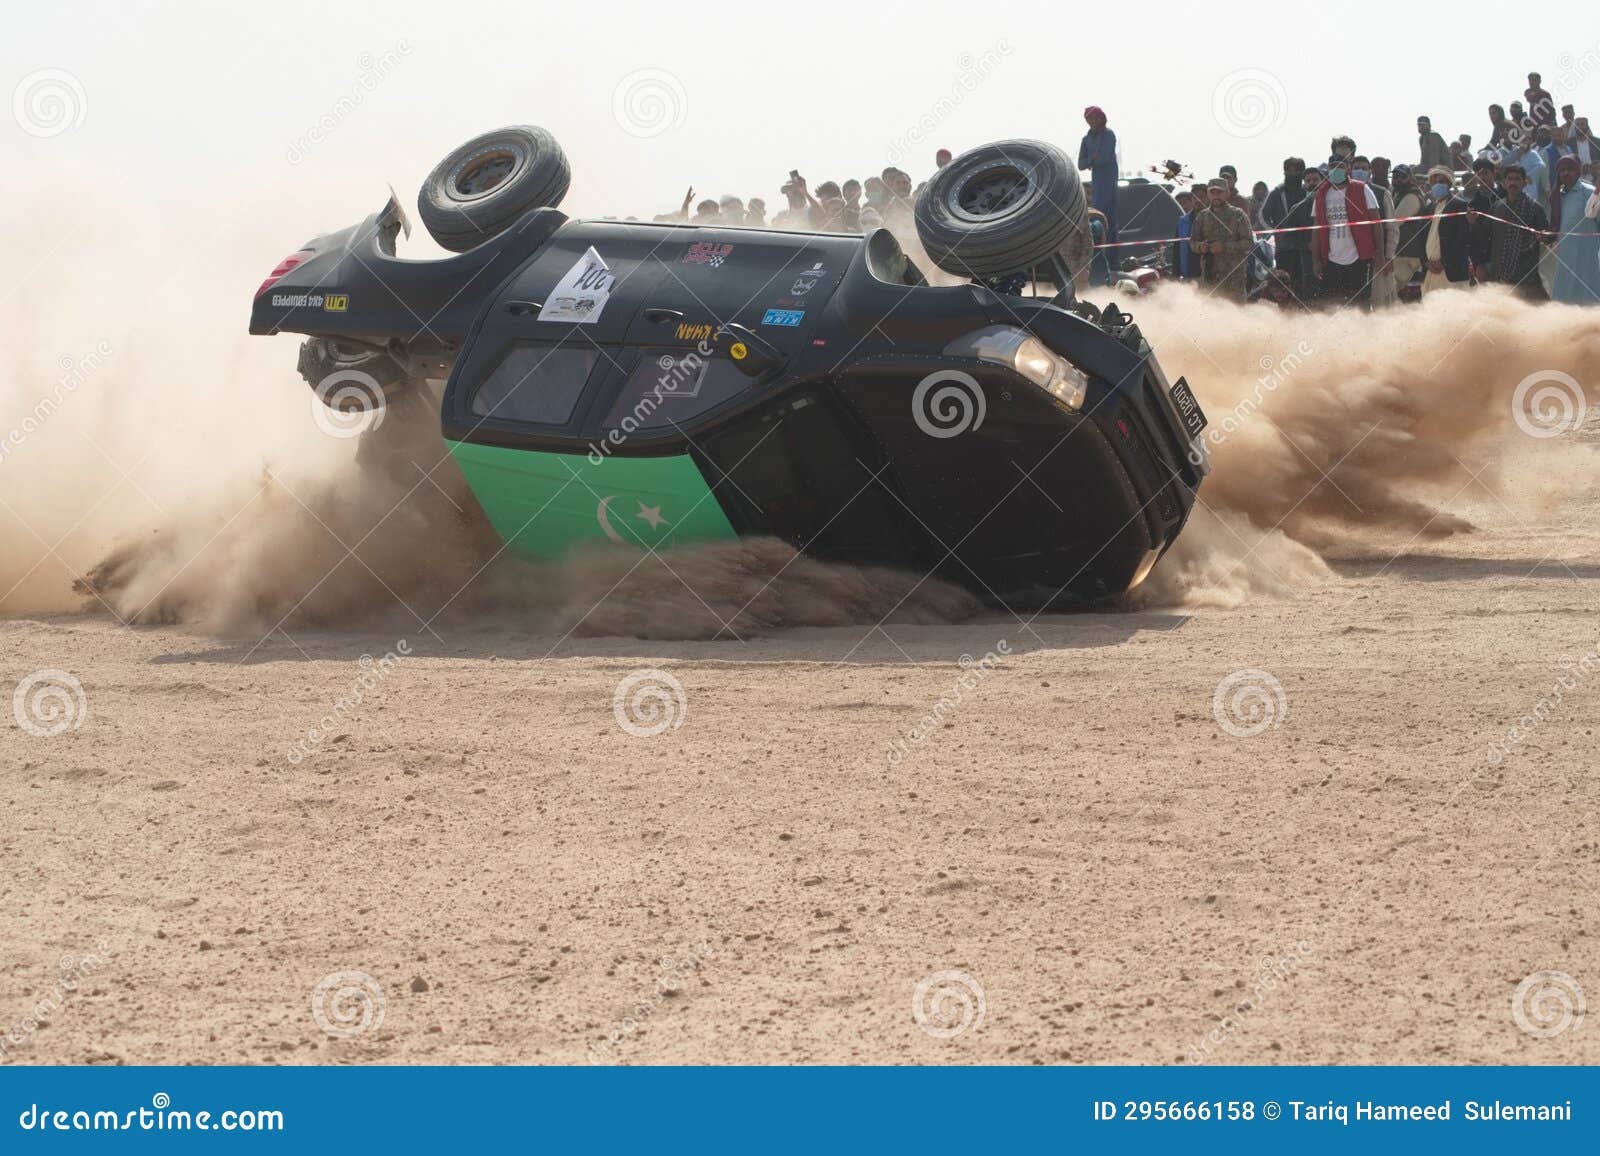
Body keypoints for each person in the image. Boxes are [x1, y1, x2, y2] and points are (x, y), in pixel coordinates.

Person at [1311, 153, 1384, 309]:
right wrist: (1316, 260)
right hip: (1331, 259)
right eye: (1333, 167)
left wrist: (1380, 253)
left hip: (1359, 258)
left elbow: (1376, 223)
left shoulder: (1362, 189)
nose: (1336, 170)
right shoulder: (1321, 194)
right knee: (1333, 305)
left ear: (1348, 168)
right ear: (1328, 170)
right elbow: (1316, 229)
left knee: (1360, 305)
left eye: (1341, 166)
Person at [1475, 164, 1551, 298]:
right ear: (1504, 183)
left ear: (1524, 182)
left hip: (1527, 276)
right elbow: (1483, 237)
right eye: (1509, 179)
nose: (1513, 182)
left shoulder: (1534, 208)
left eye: (1517, 179)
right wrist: (1479, 264)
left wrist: (1544, 237)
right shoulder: (1497, 207)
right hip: (1499, 274)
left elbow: (1547, 235)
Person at [1188, 177, 1254, 301]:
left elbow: (1249, 243)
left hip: (1234, 276)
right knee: (1212, 313)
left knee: (1236, 312)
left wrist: (1224, 247)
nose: (1216, 196)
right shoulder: (1202, 217)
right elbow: (1192, 242)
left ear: (1227, 193)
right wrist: (1200, 247)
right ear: (1208, 194)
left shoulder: (1238, 215)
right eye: (1212, 192)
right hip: (1210, 274)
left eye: (1220, 192)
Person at [1548, 154, 1600, 304]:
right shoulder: (1558, 196)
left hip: (1588, 257)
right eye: (1562, 170)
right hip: (1565, 257)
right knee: (1565, 299)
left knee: (1590, 298)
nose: (1566, 173)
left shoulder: (1589, 192)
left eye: (1570, 169)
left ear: (1578, 172)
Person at [1260, 157, 1309, 295]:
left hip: (1304, 247)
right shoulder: (1277, 193)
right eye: (1289, 170)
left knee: (1302, 283)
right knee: (1283, 283)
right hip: (1284, 247)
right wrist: (1275, 231)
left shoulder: (1307, 192)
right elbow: (1263, 215)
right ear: (1285, 171)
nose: (1293, 173)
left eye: (1297, 170)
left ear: (1302, 172)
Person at [1354, 156, 1399, 306]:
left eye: (1364, 168)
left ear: (1369, 172)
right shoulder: (1342, 193)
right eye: (1356, 168)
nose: (1359, 171)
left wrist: (1388, 256)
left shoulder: (1381, 193)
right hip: (1352, 260)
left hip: (1378, 260)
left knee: (1381, 304)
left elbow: (1392, 228)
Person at [1420, 168, 1471, 293]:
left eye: (1441, 182)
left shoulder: (1459, 205)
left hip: (1451, 271)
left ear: (1449, 184)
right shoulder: (1429, 208)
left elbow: (1462, 239)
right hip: (1430, 270)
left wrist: (1444, 262)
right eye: (1434, 182)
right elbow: (1421, 237)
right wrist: (1426, 262)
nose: (1438, 185)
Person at [1278, 167, 1323, 304]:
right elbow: (1288, 236)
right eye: (1308, 181)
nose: (1312, 183)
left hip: (1333, 257)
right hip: (1307, 261)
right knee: (1310, 296)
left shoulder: (1331, 203)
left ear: (1322, 181)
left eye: (1315, 180)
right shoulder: (1298, 208)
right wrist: (1306, 244)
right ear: (1304, 184)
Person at [1078, 106, 1120, 249]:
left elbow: (1105, 158)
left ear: (1101, 118)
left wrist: (1092, 161)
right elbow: (1081, 164)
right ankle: (1098, 254)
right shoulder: (1086, 139)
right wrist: (1092, 159)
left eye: (1094, 118)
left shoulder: (1109, 134)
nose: (1091, 121)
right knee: (1098, 216)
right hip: (1097, 180)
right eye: (1088, 119)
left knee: (1109, 219)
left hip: (1109, 179)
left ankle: (1112, 261)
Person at [1391, 164, 1431, 292]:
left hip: (1408, 255)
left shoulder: (1411, 197)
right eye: (1395, 176)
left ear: (1410, 178)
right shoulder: (1398, 194)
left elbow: (1394, 223)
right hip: (1402, 253)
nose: (1398, 179)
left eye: (1402, 176)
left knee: (1399, 293)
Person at [1466, 157, 1500, 279]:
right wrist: (1477, 265)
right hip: (1486, 261)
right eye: (1479, 174)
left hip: (1508, 260)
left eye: (1485, 173)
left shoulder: (1506, 197)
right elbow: (1471, 239)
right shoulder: (1473, 204)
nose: (1482, 177)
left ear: (1493, 173)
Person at [1173, 189, 1197, 279]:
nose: (1182, 206)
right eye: (1179, 204)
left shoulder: (1202, 219)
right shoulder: (1181, 222)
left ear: (1192, 202)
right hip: (1186, 272)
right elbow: (1177, 248)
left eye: (1184, 203)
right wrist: (1175, 273)